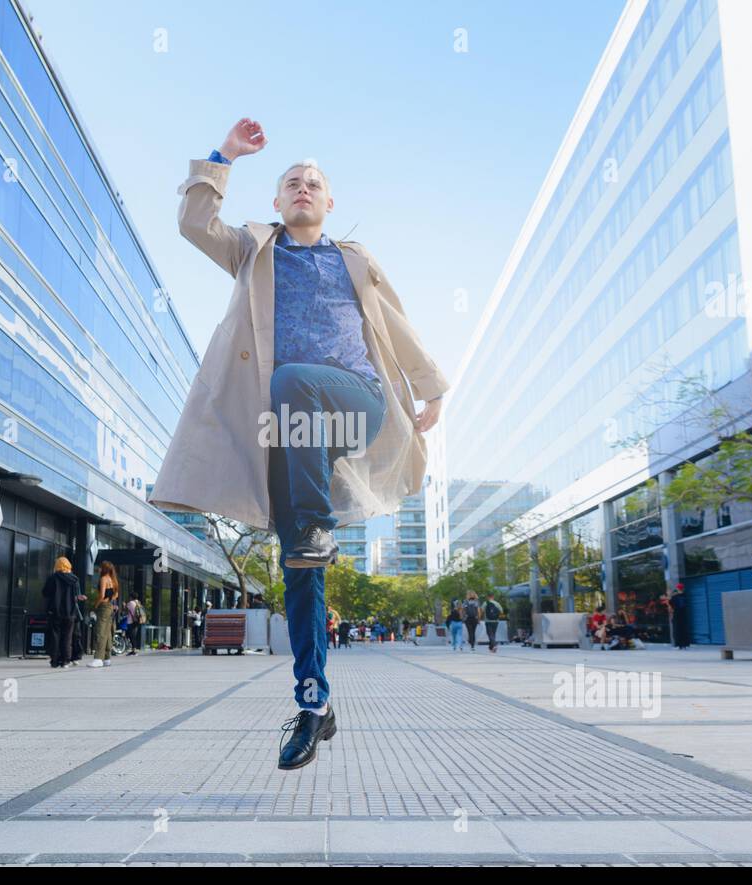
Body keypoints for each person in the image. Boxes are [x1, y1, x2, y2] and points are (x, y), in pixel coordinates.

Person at [147, 120, 448, 770]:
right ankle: (314, 703)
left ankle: (311, 529)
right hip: (287, 428)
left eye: (313, 183)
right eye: (291, 183)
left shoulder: (356, 259)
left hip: (354, 403)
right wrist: (223, 156)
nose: (302, 188)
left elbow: (396, 325)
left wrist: (431, 390)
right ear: (278, 202)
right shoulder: (255, 250)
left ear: (328, 202)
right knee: (300, 563)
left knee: (294, 383)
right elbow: (195, 223)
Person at [42, 556, 85, 668]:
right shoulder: (74, 579)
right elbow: (77, 596)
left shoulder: (52, 578)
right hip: (70, 612)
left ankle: (55, 661)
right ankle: (66, 661)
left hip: (55, 611)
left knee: (55, 636)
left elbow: (45, 593)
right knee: (67, 637)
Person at [87, 560, 119, 668]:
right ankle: (106, 658)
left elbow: (101, 595)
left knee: (100, 632)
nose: (99, 569)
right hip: (110, 606)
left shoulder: (103, 579)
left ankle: (98, 659)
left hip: (103, 607)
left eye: (100, 567)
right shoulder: (113, 580)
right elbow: (116, 595)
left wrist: (95, 606)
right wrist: (108, 600)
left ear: (104, 568)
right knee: (108, 633)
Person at [670, 582, 691, 648]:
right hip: (684, 615)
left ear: (677, 588)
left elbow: (671, 605)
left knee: (677, 630)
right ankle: (685, 644)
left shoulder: (674, 597)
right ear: (683, 588)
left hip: (677, 615)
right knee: (684, 629)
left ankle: (679, 644)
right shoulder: (685, 596)